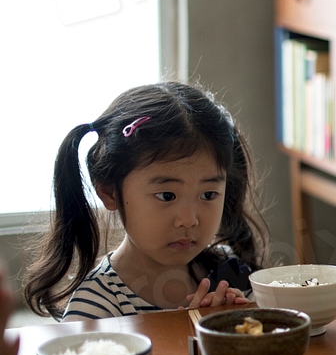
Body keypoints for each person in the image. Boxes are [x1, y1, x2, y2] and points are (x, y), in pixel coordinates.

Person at [24, 81, 267, 319]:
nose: (189, 220)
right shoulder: (95, 309)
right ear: (109, 192)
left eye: (208, 195)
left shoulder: (230, 273)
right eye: (167, 196)